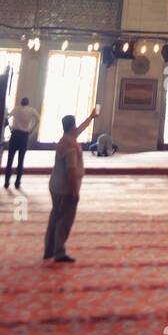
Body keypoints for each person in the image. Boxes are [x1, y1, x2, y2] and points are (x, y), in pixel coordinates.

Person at [43, 107, 98, 264]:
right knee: (64, 221)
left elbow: (81, 128)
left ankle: (49, 250)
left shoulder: (67, 138)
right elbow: (71, 170)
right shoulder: (70, 145)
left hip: (55, 186)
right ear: (72, 127)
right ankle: (59, 252)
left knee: (55, 217)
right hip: (64, 188)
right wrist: (75, 190)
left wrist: (92, 117)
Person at [4, 96, 39, 190]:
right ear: (28, 103)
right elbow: (38, 119)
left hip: (15, 134)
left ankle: (6, 182)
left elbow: (7, 116)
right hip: (24, 136)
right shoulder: (31, 110)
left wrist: (10, 127)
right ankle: (17, 182)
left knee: (10, 159)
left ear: (21, 102)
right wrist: (31, 129)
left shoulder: (16, 109)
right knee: (21, 160)